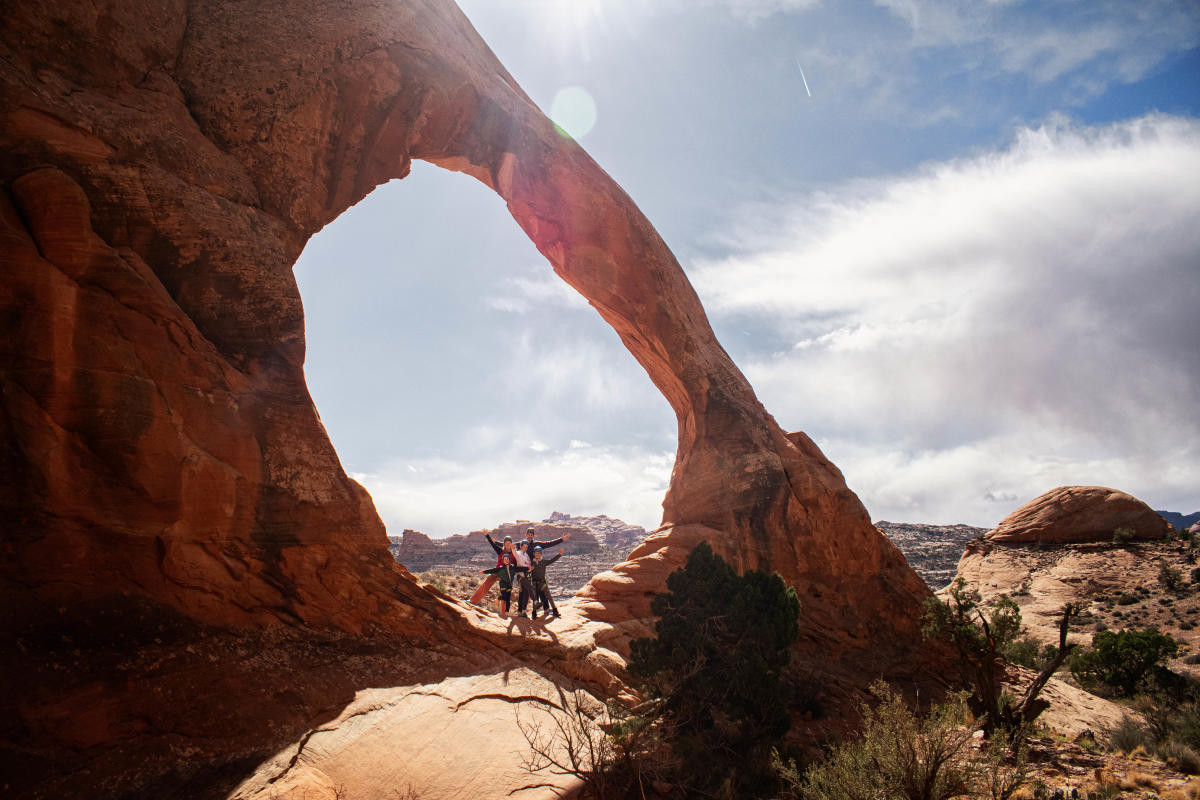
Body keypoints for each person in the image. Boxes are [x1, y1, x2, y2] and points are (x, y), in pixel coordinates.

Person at [470, 533, 517, 605]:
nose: (507, 544)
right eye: (506, 542)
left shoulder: (514, 553)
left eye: (509, 542)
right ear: (504, 544)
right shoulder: (500, 551)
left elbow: (516, 564)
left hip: (506, 575)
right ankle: (473, 601)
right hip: (497, 572)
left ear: (511, 544)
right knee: (486, 584)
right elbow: (492, 544)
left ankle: (503, 613)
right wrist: (487, 535)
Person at [529, 546, 562, 619]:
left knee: (549, 596)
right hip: (534, 583)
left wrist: (559, 555)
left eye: (539, 553)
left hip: (542, 582)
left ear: (541, 554)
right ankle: (534, 613)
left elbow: (551, 560)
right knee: (535, 598)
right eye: (536, 553)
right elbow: (527, 570)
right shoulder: (531, 563)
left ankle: (555, 610)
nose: (537, 554)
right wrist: (529, 569)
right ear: (534, 553)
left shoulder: (543, 562)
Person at [512, 539, 536, 617]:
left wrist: (530, 568)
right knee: (528, 588)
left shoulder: (526, 555)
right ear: (521, 546)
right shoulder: (518, 553)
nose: (525, 548)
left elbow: (527, 565)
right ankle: (535, 602)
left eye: (526, 547)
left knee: (524, 593)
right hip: (519, 576)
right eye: (524, 547)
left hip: (526, 575)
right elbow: (515, 556)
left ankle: (522, 611)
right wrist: (513, 550)